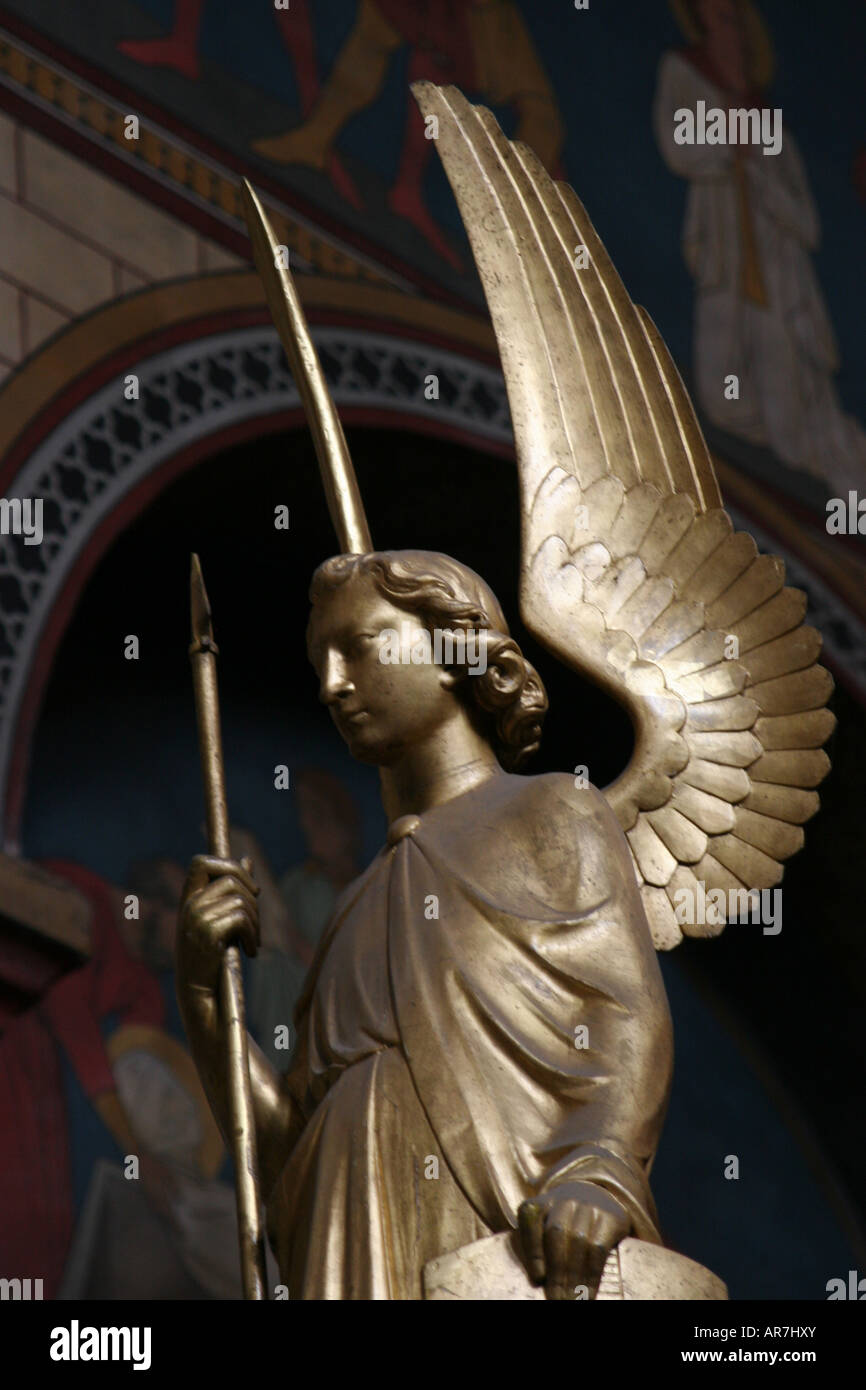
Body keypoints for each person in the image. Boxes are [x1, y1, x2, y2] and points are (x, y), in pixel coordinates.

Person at [176, 549, 673, 1301]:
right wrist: (205, 995)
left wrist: (599, 1174)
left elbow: (623, 1015)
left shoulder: (552, 811)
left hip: (487, 1234)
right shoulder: (353, 906)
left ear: (452, 650)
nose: (331, 685)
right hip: (344, 1252)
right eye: (321, 661)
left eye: (358, 648)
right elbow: (286, 1159)